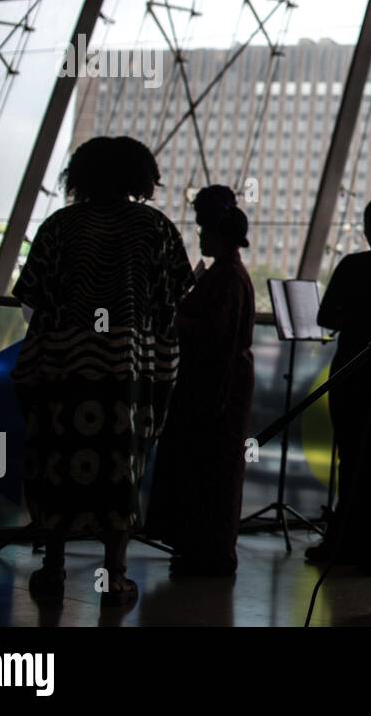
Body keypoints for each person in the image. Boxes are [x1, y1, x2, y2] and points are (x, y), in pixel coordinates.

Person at [12, 136, 193, 605]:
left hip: (65, 368)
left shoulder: (59, 227)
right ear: (140, 176)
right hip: (125, 374)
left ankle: (52, 569)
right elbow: (172, 306)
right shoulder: (156, 229)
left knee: (58, 462)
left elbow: (32, 301)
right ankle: (115, 576)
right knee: (120, 468)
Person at [146, 190, 255, 576]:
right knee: (216, 471)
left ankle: (203, 549)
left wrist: (176, 319)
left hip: (212, 388)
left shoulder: (224, 278)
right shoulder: (231, 275)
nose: (200, 237)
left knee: (205, 469)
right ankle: (207, 548)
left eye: (204, 231)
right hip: (222, 386)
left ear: (218, 235)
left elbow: (214, 334)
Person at [306, 195, 371, 572]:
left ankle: (345, 542)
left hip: (351, 372)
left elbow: (326, 316)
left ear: (367, 226)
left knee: (350, 458)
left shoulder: (353, 266)